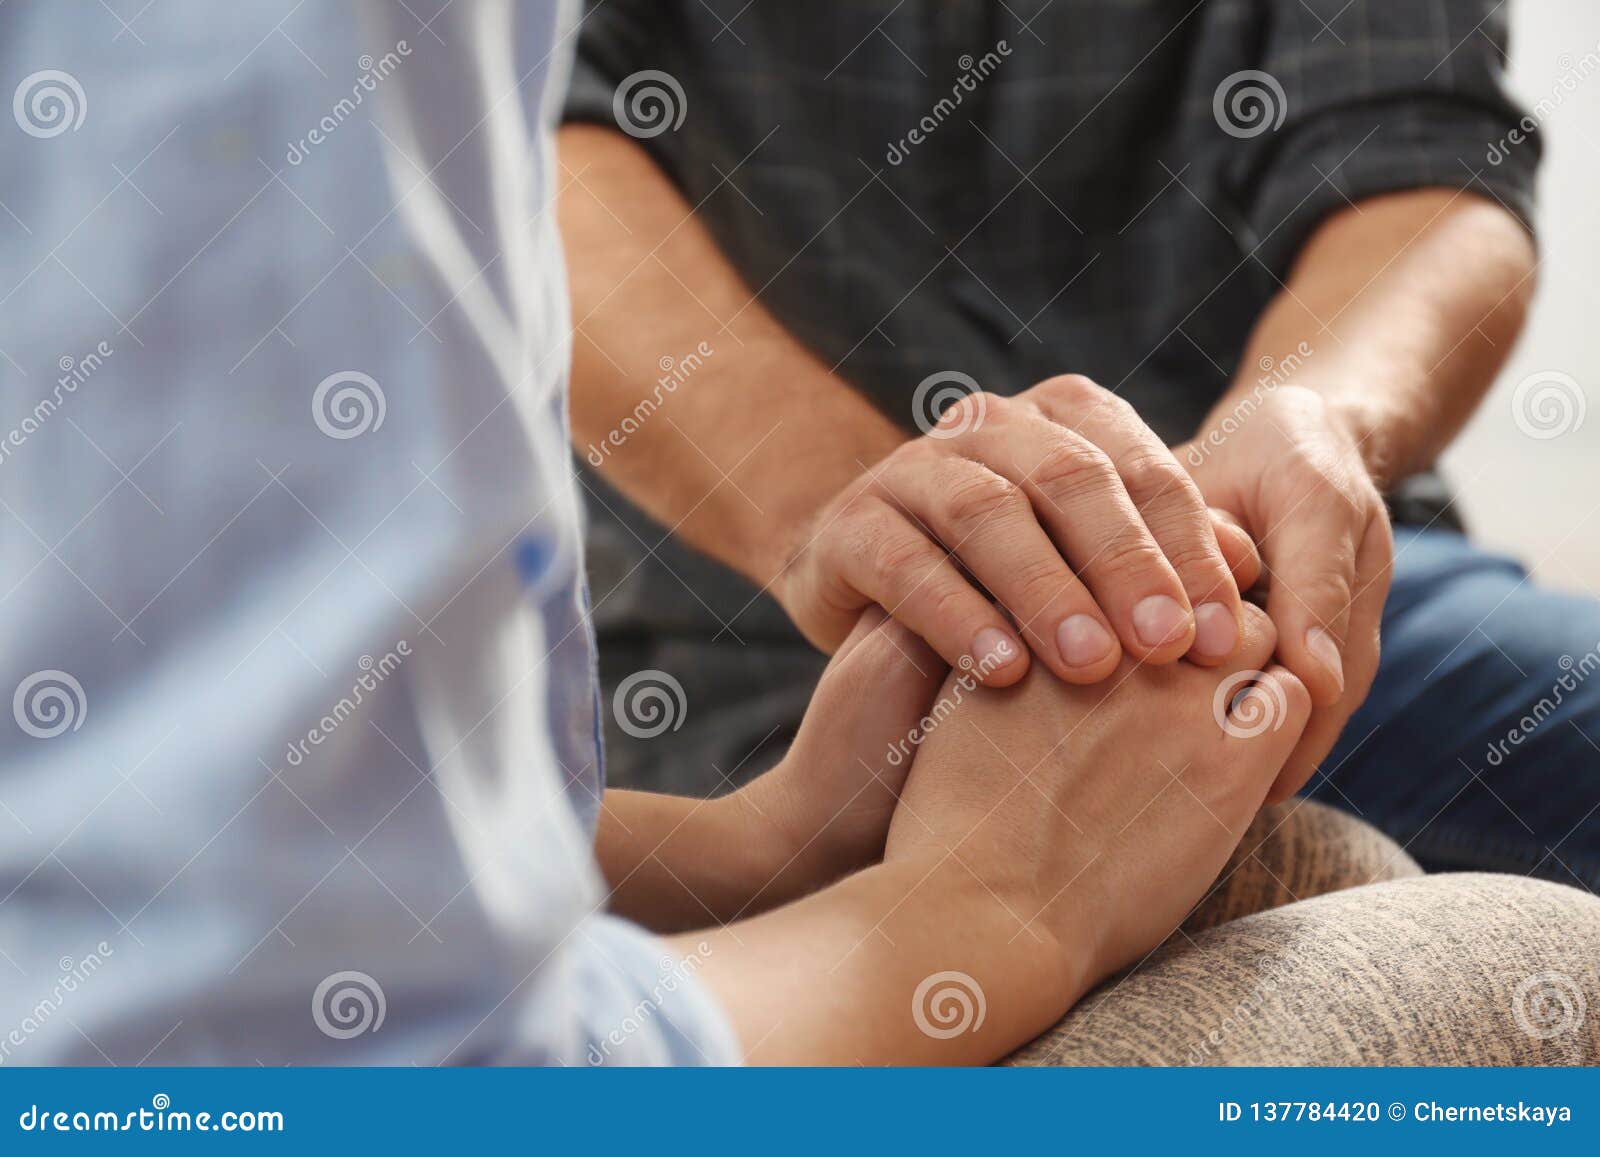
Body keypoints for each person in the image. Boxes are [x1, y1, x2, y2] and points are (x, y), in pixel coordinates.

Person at [2, 0, 1596, 1070]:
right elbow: (315, 1066)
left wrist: (760, 848)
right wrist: (965, 915)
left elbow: (1424, 152)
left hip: (1251, 589)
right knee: (1483, 954)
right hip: (770, 638)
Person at [557, 0, 1600, 895]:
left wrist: (1311, 422)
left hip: (1292, 599)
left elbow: (1422, 150)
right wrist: (863, 527)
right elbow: (521, 172)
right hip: (778, 654)